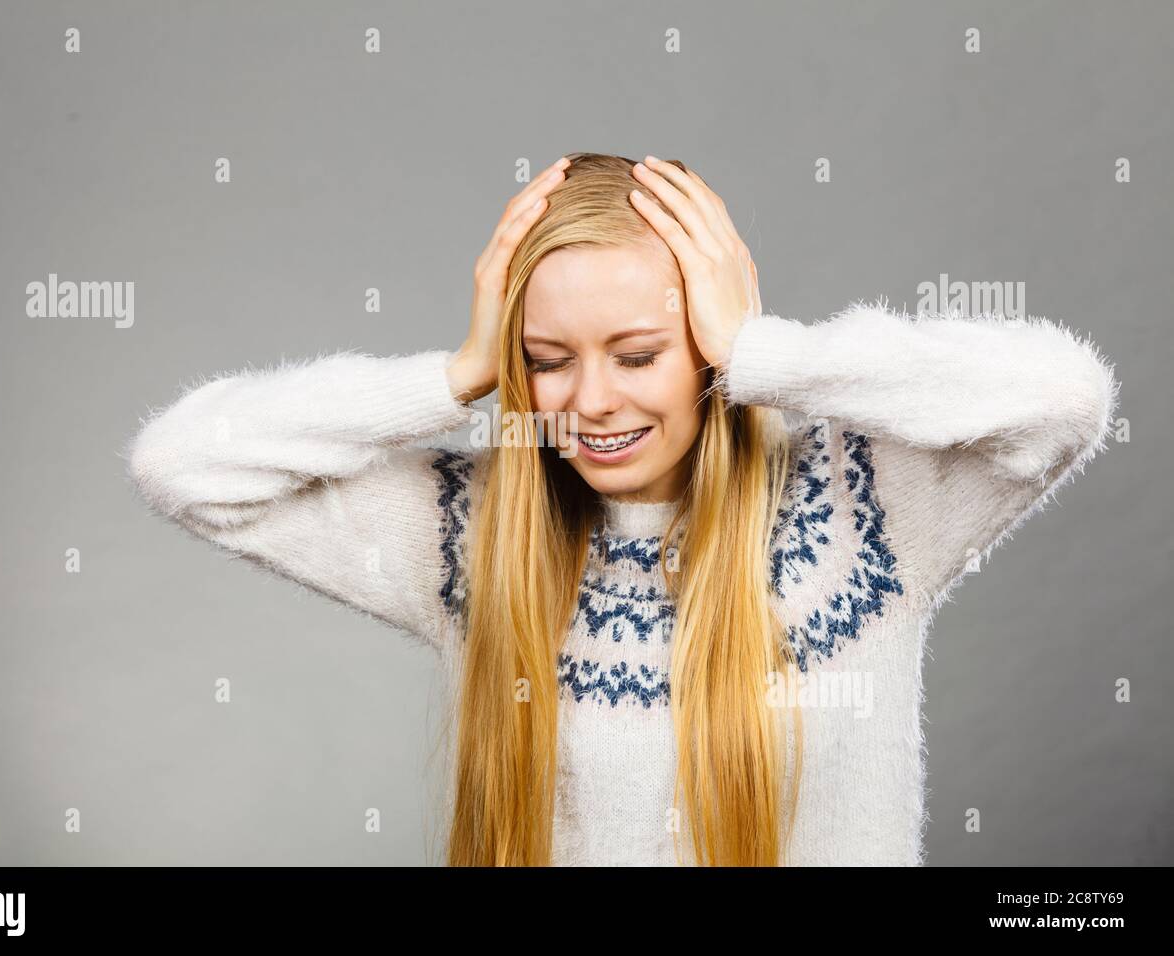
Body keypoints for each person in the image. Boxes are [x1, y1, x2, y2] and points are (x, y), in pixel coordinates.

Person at [124, 152, 1119, 866]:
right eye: (548, 360)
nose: (590, 399)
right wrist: (454, 376)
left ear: (706, 353)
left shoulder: (864, 509)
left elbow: (1065, 396)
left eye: (637, 353)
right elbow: (182, 463)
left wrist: (771, 350)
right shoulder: (472, 538)